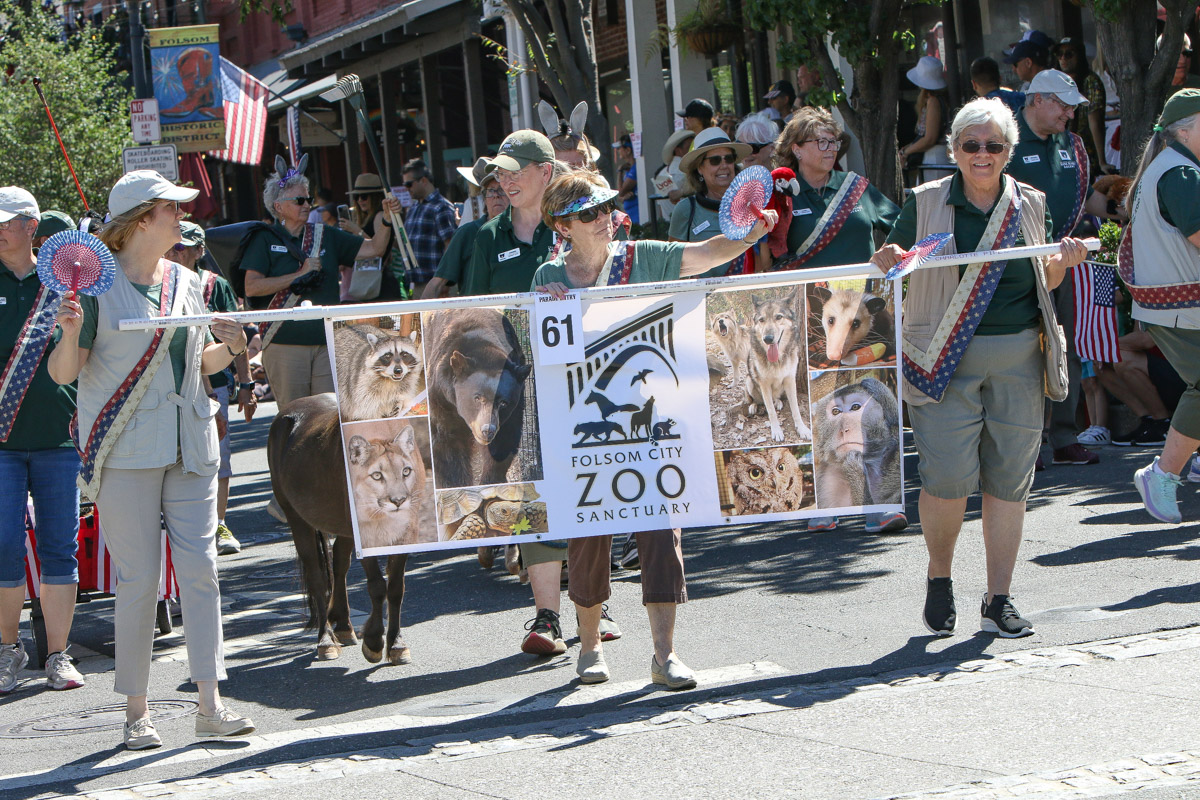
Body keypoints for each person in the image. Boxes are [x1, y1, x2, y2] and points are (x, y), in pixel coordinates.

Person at [532, 170, 777, 686]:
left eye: (604, 208)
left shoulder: (639, 256)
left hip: (652, 420)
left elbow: (705, 254)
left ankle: (664, 655)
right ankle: (590, 647)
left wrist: (750, 236)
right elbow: (544, 359)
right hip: (588, 425)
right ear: (561, 225)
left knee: (662, 531)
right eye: (587, 214)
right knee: (588, 535)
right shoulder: (546, 279)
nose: (602, 219)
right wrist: (545, 305)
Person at [48, 170, 256, 749]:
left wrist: (235, 345)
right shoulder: (93, 289)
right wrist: (67, 334)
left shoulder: (190, 282)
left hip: (191, 441)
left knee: (203, 572)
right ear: (143, 220)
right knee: (139, 580)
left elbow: (199, 365)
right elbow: (65, 375)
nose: (183, 220)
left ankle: (210, 704)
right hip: (125, 450)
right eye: (172, 210)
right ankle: (136, 712)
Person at [870, 98, 1088, 639]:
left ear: (1009, 151)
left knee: (1010, 482)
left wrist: (1062, 263)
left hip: (1020, 359)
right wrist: (885, 258)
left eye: (994, 146)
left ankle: (999, 597)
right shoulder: (924, 203)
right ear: (955, 151)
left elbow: (1047, 281)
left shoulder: (1031, 204)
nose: (983, 155)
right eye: (972, 145)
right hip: (942, 357)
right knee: (945, 479)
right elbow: (894, 265)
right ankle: (940, 579)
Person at [770, 107, 906, 534]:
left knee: (869, 405)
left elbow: (902, 224)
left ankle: (878, 504)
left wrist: (893, 250)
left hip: (863, 316)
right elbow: (761, 248)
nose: (830, 149)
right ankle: (822, 504)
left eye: (834, 142)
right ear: (796, 148)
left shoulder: (857, 188)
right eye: (820, 142)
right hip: (806, 314)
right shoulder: (781, 195)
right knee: (816, 406)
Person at [1006, 69, 1117, 467]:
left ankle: (1065, 436)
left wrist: (1122, 212)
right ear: (1037, 100)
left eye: (1072, 107)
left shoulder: (1071, 143)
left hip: (1064, 257)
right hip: (1017, 263)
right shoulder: (1004, 140)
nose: (1069, 114)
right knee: (1022, 349)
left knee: (1063, 344)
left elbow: (1085, 197)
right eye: (1063, 105)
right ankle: (1026, 441)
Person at [0, 187, 85, 695]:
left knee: (60, 550)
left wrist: (71, 329)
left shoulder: (65, 281)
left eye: (8, 221)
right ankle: (8, 651)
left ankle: (58, 654)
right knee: (3, 548)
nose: (0, 229)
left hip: (57, 438)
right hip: (1, 442)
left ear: (32, 226)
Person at [240, 160, 392, 412]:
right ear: (278, 206)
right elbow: (252, 288)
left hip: (326, 342)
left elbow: (374, 249)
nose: (307, 205)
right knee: (294, 419)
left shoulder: (326, 234)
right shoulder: (263, 239)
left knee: (328, 418)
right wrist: (298, 275)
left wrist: (386, 221)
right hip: (284, 343)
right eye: (299, 201)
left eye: (308, 199)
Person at [1122, 90, 1200, 523]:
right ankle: (1164, 474)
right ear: (1185, 129)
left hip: (1175, 303)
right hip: (1184, 304)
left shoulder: (1172, 167)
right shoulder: (1181, 174)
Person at [168, 221, 256, 555]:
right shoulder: (158, 282)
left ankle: (218, 524)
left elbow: (237, 339)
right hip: (173, 384)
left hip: (215, 383)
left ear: (199, 251)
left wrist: (246, 384)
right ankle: (181, 530)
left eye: (183, 247)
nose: (177, 253)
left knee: (219, 457)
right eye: (173, 246)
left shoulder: (213, 286)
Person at [462, 130, 561, 297]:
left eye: (515, 173)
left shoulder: (572, 225)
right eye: (501, 174)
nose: (506, 183)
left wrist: (568, 292)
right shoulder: (489, 235)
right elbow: (475, 309)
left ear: (545, 172)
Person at [668, 127, 756, 277]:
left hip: (747, 296)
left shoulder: (752, 205)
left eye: (728, 159)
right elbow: (672, 265)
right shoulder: (686, 210)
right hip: (700, 298)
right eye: (715, 160)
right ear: (700, 168)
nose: (724, 165)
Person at [423, 157, 508, 300]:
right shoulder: (467, 233)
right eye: (490, 191)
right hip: (474, 315)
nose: (496, 196)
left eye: (501, 190)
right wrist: (418, 319)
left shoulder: (522, 232)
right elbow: (437, 284)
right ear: (484, 199)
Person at [338, 173, 404, 301]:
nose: (359, 201)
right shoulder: (365, 218)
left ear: (375, 197)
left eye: (364, 197)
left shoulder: (380, 216)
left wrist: (357, 231)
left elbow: (378, 248)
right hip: (368, 281)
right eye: (357, 197)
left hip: (380, 282)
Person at [399, 158, 458, 298]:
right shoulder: (413, 208)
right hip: (416, 283)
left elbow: (451, 246)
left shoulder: (441, 206)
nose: (406, 189)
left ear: (423, 180)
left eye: (409, 184)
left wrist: (444, 281)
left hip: (436, 284)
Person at [1056, 37, 1112, 176]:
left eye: (1069, 54)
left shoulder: (1090, 81)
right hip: (1061, 152)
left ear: (1079, 56)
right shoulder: (1057, 82)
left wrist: (1102, 161)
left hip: (1086, 153)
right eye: (1059, 54)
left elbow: (1095, 121)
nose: (1063, 58)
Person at [900, 56, 951, 182]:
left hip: (935, 157)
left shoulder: (933, 101)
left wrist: (906, 152)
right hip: (934, 156)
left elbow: (930, 138)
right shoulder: (938, 99)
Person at [658, 128, 695, 212]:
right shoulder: (687, 171)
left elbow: (660, 208)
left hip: (667, 223)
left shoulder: (661, 174)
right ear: (678, 150)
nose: (692, 151)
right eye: (689, 148)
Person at [613, 134, 639, 225]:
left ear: (628, 150)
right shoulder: (630, 169)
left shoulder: (635, 169)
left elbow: (620, 192)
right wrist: (623, 197)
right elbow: (620, 197)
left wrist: (620, 171)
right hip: (631, 215)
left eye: (620, 148)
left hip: (637, 215)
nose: (618, 151)